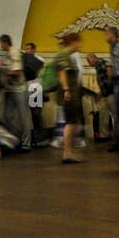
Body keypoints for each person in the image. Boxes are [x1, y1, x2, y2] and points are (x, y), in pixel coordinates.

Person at [51, 33, 85, 163]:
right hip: (68, 94)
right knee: (71, 123)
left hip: (72, 93)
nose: (80, 45)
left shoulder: (68, 55)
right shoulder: (64, 55)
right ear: (73, 41)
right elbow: (62, 72)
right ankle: (67, 153)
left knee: (74, 123)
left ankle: (69, 151)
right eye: (78, 42)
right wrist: (66, 90)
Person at [0, 34, 32, 151]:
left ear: (5, 43)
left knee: (23, 116)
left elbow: (16, 72)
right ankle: (15, 138)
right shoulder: (8, 54)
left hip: (20, 89)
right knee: (7, 115)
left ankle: (26, 143)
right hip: (11, 89)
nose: (0, 46)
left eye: (1, 43)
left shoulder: (14, 52)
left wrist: (3, 71)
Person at [21, 42, 46, 144]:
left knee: (37, 114)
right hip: (26, 89)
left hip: (36, 90)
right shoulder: (24, 61)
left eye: (29, 49)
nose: (27, 51)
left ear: (34, 50)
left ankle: (40, 138)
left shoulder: (40, 60)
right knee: (27, 114)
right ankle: (33, 138)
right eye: (26, 49)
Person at [86, 52, 112, 142]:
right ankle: (104, 135)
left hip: (110, 93)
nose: (89, 63)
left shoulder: (100, 62)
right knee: (102, 113)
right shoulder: (97, 66)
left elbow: (109, 69)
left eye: (89, 61)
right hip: (105, 93)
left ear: (93, 57)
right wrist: (100, 94)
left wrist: (109, 82)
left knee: (116, 113)